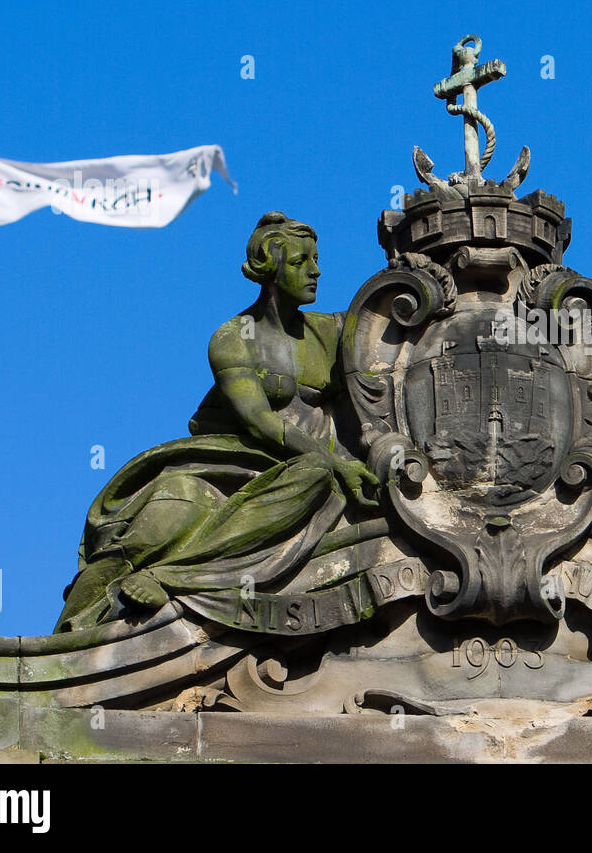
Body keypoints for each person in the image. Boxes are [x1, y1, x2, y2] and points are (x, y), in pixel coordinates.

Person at [55, 212, 378, 631]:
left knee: (314, 473)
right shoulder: (232, 338)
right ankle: (88, 620)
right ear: (269, 268)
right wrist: (335, 462)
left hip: (308, 471)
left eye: (316, 259)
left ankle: (168, 577)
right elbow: (262, 421)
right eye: (301, 261)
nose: (316, 270)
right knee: (159, 524)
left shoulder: (333, 332)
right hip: (243, 462)